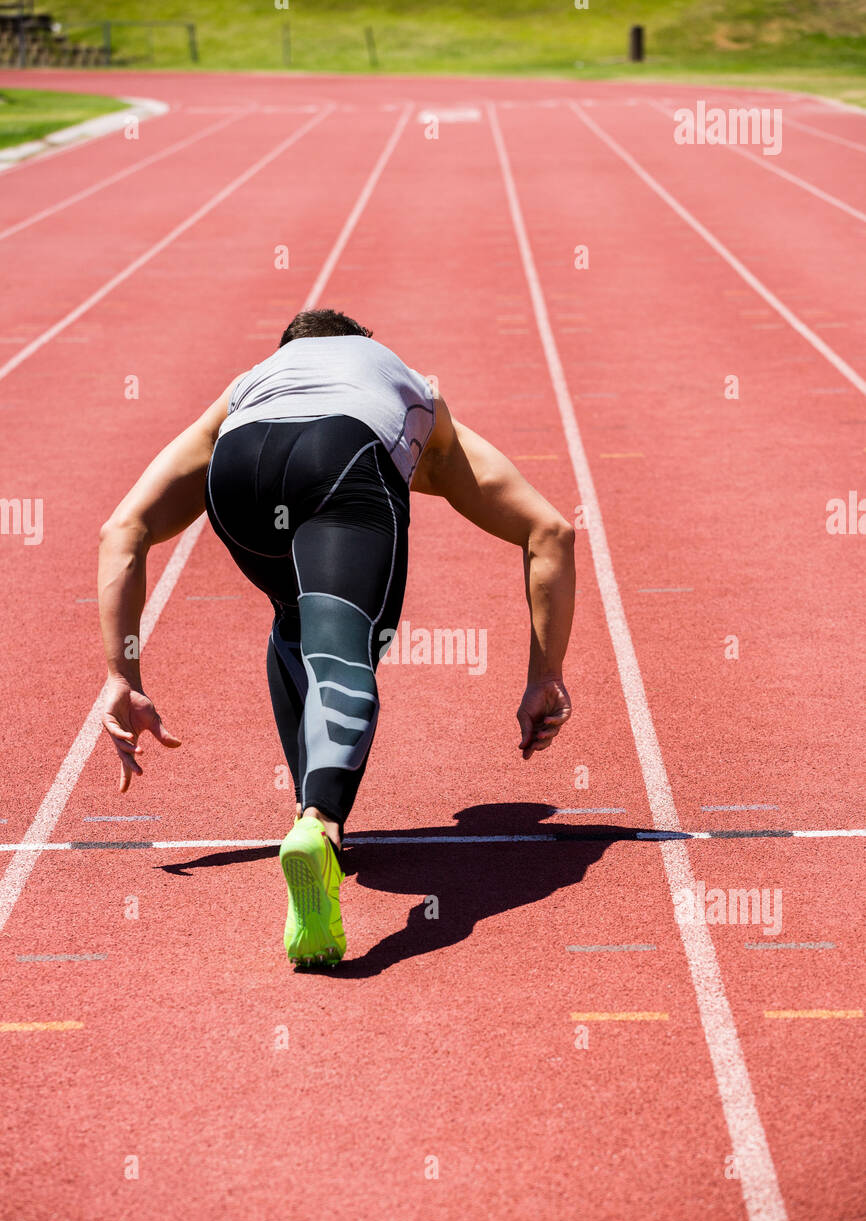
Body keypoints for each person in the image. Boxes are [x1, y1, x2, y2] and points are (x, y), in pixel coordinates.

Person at [98, 309, 575, 967]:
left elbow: (122, 531)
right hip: (342, 458)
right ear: (363, 347)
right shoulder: (413, 394)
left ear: (290, 353)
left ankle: (310, 815)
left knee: (295, 618)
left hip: (238, 470)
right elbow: (550, 532)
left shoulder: (248, 387)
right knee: (344, 650)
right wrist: (543, 676)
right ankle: (319, 823)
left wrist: (124, 674)